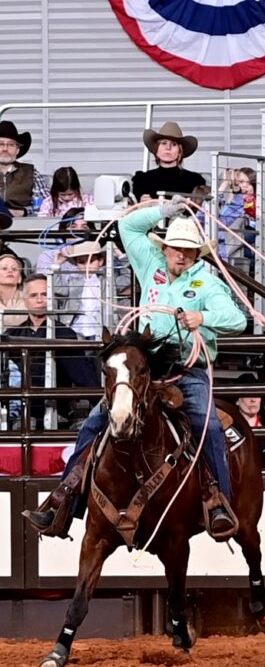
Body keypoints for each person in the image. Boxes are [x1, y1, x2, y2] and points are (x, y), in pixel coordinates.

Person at [23, 202, 246, 540]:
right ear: (165, 248)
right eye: (175, 249)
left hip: (187, 368)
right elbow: (128, 227)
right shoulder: (151, 264)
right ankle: (62, 499)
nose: (180, 256)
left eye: (188, 251)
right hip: (146, 368)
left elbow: (237, 320)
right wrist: (164, 209)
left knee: (208, 426)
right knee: (96, 422)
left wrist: (203, 318)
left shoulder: (207, 283)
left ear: (196, 254)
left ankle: (218, 501)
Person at [2, 274, 96, 429]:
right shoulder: (12, 335)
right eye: (34, 295)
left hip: (58, 411)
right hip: (21, 412)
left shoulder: (64, 334)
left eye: (45, 294)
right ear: (25, 300)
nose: (40, 300)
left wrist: (99, 402)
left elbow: (82, 376)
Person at [133, 122, 207, 201]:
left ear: (180, 151)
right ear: (156, 149)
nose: (168, 147)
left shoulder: (195, 181)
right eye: (164, 143)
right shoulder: (142, 180)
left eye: (174, 144)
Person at [231, 371, 265, 471]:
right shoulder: (230, 429)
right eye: (247, 394)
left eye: (257, 393)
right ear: (237, 400)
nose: (253, 399)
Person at [0, 120, 38, 217]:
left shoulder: (31, 172)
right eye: (1, 144)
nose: (5, 149)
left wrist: (23, 212)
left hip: (21, 227)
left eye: (11, 144)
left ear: (18, 149)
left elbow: (45, 205)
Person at [0, 249, 28, 329]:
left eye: (14, 269)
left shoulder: (28, 298)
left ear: (20, 278)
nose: (10, 271)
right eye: (4, 268)